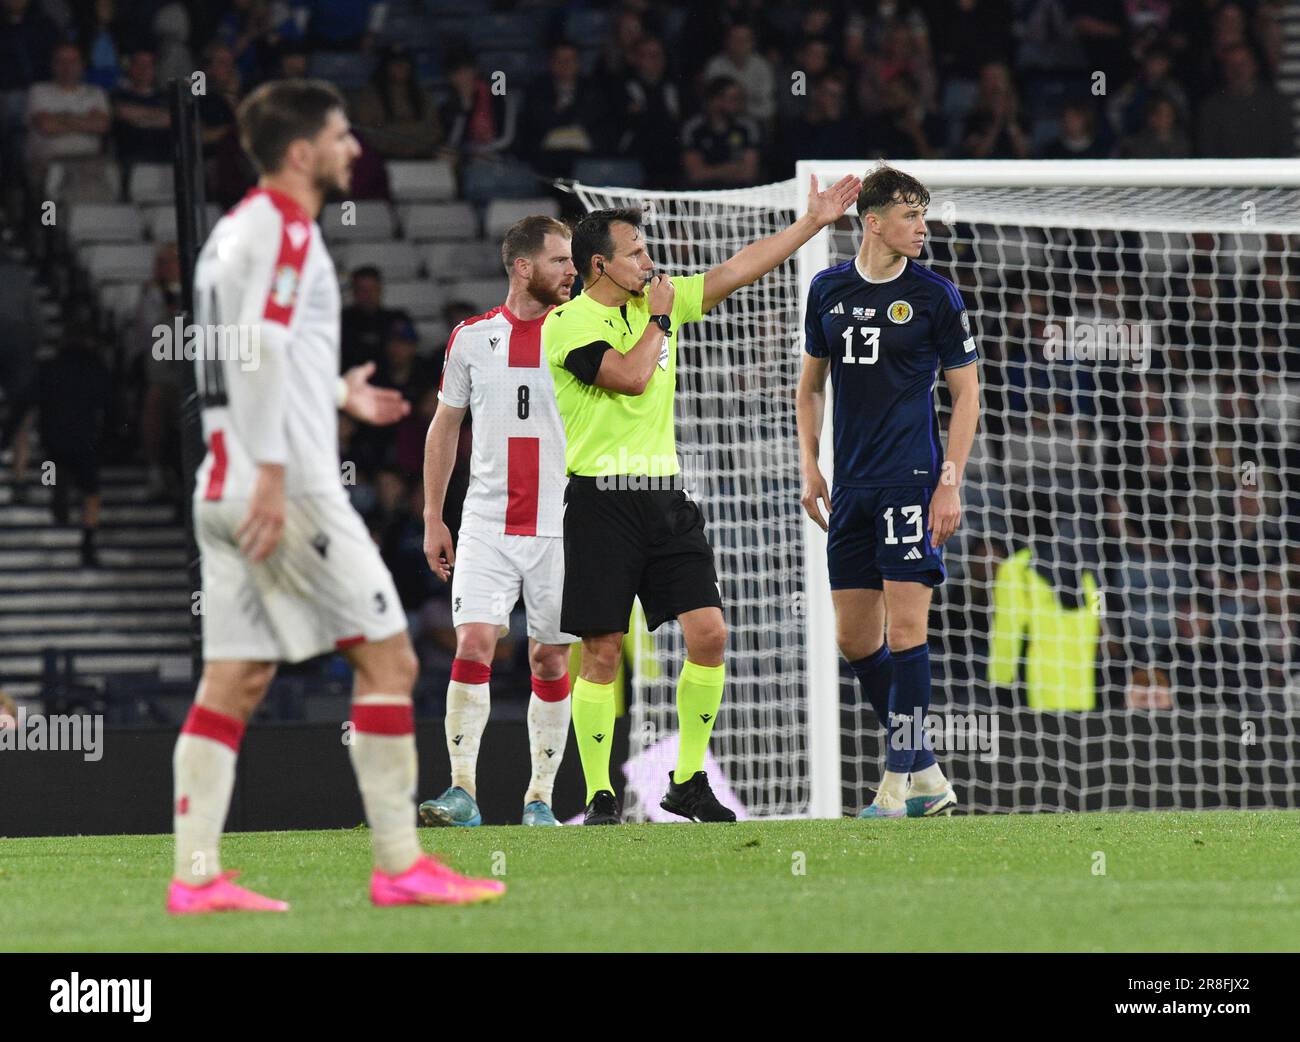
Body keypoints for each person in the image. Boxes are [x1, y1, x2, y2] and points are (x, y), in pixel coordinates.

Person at [170, 78, 502, 914]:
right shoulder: (283, 229)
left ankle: (196, 877)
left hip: (220, 479)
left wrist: (339, 395)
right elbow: (259, 355)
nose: (356, 147)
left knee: (234, 682)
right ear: (300, 152)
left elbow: (257, 351)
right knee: (388, 658)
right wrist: (278, 473)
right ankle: (399, 866)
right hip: (287, 487)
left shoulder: (231, 234)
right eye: (341, 134)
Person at [542, 172, 861, 825]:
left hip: (665, 498)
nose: (649, 260)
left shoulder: (659, 303)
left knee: (710, 633)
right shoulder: (566, 324)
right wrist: (659, 316)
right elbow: (630, 378)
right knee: (603, 649)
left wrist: (812, 224)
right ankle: (600, 792)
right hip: (601, 501)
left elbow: (738, 268)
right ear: (599, 263)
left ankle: (687, 779)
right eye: (635, 251)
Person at [796, 163, 981, 819]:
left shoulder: (936, 296)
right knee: (855, 639)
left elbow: (967, 395)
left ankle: (897, 783)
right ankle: (928, 773)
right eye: (910, 216)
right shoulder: (827, 289)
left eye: (923, 215)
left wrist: (948, 482)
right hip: (851, 485)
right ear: (872, 223)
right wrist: (810, 465)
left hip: (910, 481)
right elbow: (811, 384)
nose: (922, 227)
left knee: (906, 630)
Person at [419, 215, 578, 829]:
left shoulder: (582, 333)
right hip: (486, 520)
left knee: (548, 660)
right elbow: (443, 428)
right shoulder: (471, 337)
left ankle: (539, 799)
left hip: (560, 523)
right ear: (523, 267)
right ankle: (462, 792)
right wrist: (433, 516)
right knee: (476, 643)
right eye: (560, 260)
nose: (571, 270)